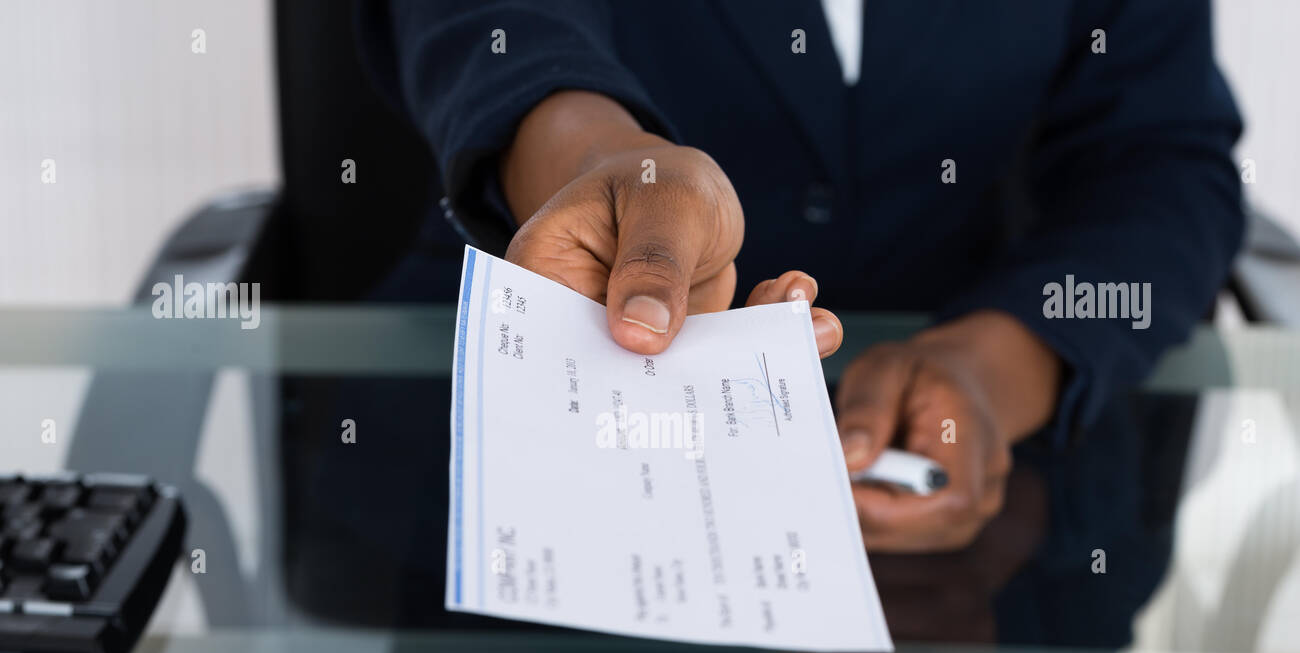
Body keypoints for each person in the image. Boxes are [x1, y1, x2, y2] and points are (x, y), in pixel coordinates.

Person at [358, 0, 1243, 550]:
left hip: (995, 543)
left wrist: (992, 368)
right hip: (531, 519)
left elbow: (1160, 158)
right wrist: (608, 167)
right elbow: (494, 24)